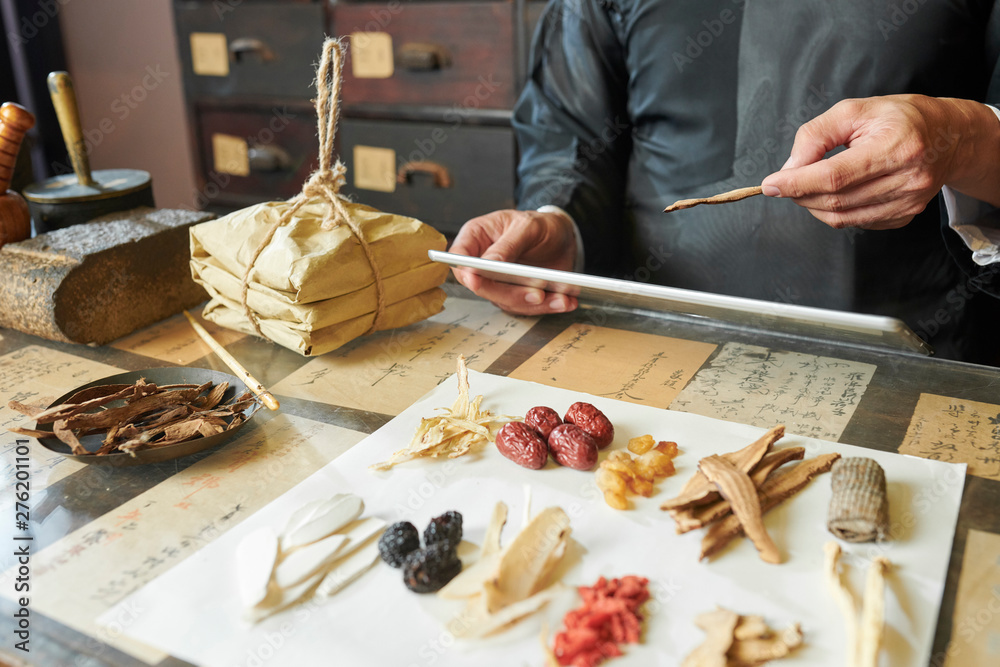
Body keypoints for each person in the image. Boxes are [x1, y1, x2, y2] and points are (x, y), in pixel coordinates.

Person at [449, 0, 1000, 364]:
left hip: (915, 361)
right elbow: (570, 130)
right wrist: (561, 225)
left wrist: (967, 138)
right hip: (648, 354)